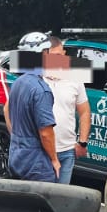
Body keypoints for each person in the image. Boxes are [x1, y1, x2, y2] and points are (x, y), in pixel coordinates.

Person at [4, 32, 59, 182]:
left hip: (16, 157)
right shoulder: (41, 90)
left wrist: (17, 138)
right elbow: (46, 133)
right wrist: (54, 159)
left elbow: (6, 110)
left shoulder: (18, 83)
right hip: (36, 165)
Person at [42, 36, 91, 185]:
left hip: (67, 151)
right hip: (40, 151)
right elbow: (10, 110)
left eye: (61, 54)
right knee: (40, 199)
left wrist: (82, 142)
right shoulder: (36, 78)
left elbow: (84, 112)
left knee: (61, 200)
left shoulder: (75, 78)